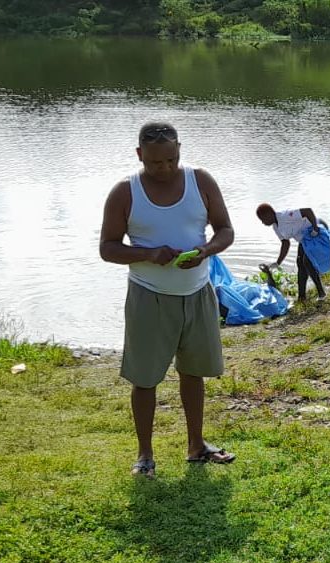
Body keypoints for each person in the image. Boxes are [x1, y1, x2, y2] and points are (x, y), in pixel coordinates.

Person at [99, 121, 237, 478]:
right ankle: (145, 454)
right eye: (155, 162)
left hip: (198, 293)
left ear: (180, 151)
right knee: (145, 379)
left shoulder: (201, 181)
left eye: (171, 160)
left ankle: (196, 445)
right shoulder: (125, 192)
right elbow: (108, 248)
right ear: (139, 154)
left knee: (193, 372)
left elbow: (225, 230)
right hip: (149, 296)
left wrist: (205, 251)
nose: (164, 168)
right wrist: (148, 254)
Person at [255, 203, 327, 302]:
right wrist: (277, 263)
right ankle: (302, 297)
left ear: (269, 214)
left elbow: (308, 211)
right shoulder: (276, 227)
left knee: (307, 262)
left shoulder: (285, 215)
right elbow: (285, 243)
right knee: (300, 263)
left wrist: (315, 228)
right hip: (304, 240)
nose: (263, 222)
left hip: (315, 231)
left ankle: (321, 293)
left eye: (263, 219)